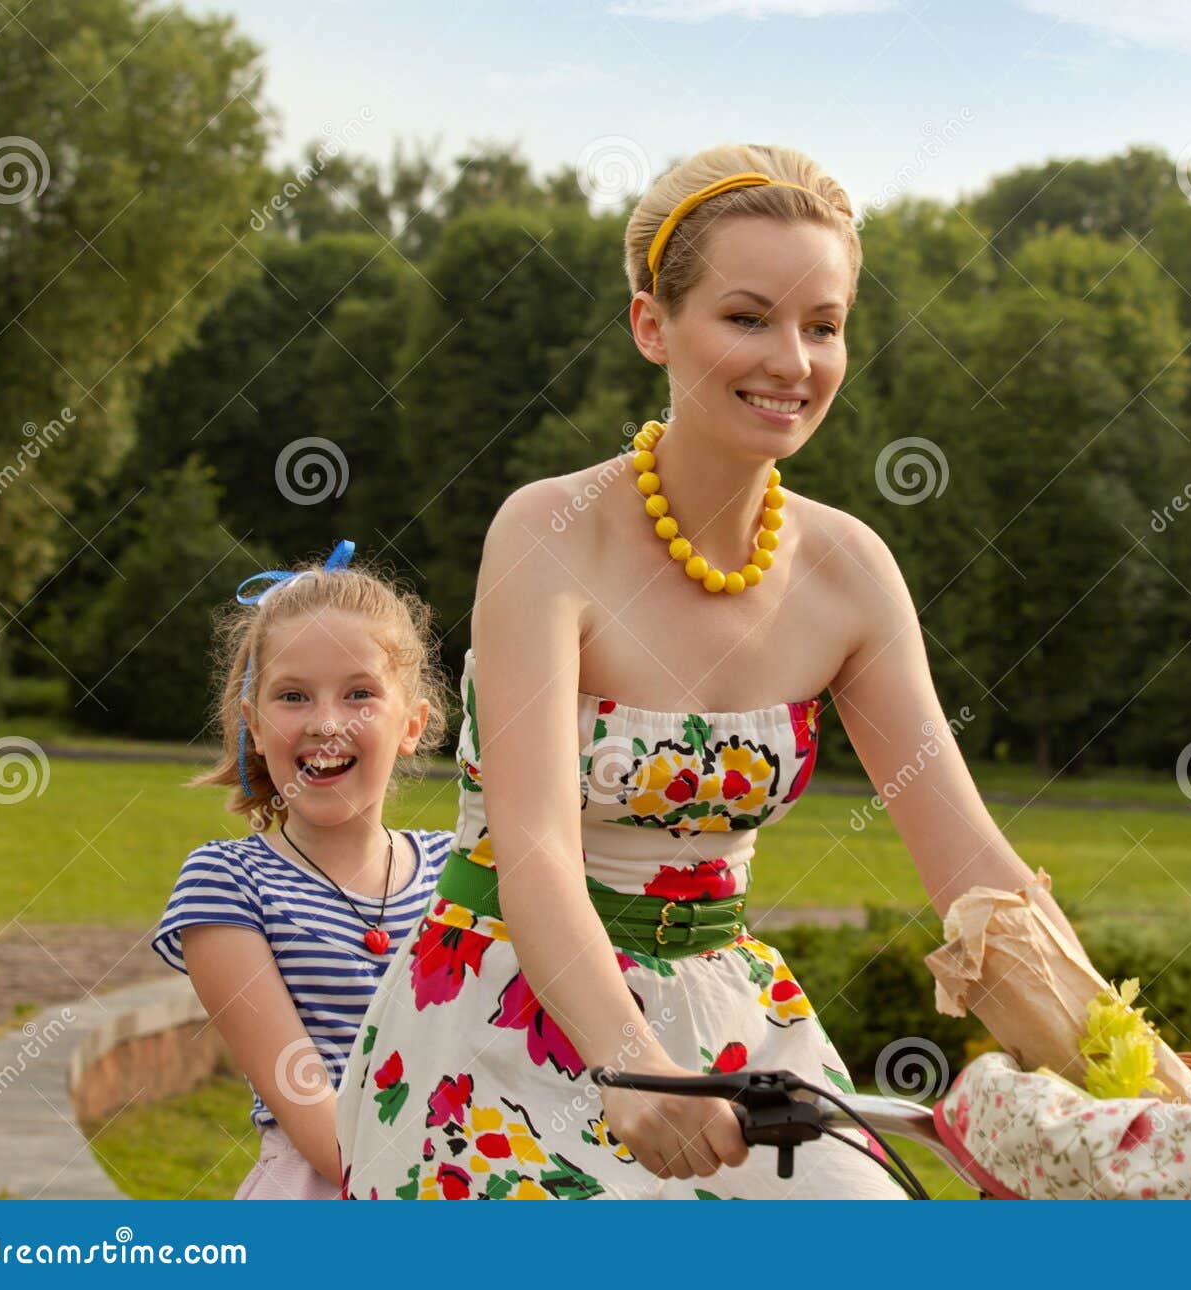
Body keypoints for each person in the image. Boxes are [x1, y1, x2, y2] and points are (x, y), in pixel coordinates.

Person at [334, 142, 1087, 1200]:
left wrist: (1145, 1089)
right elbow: (536, 848)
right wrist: (630, 1066)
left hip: (730, 1022)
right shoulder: (548, 532)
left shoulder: (850, 570)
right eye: (747, 318)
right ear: (653, 326)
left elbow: (975, 874)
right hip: (503, 1013)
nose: (792, 361)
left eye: (822, 326)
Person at [152, 540, 453, 1198]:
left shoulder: (457, 872)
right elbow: (322, 1128)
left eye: (359, 694)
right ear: (255, 726)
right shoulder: (228, 885)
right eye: (293, 696)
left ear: (411, 724)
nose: (326, 723)